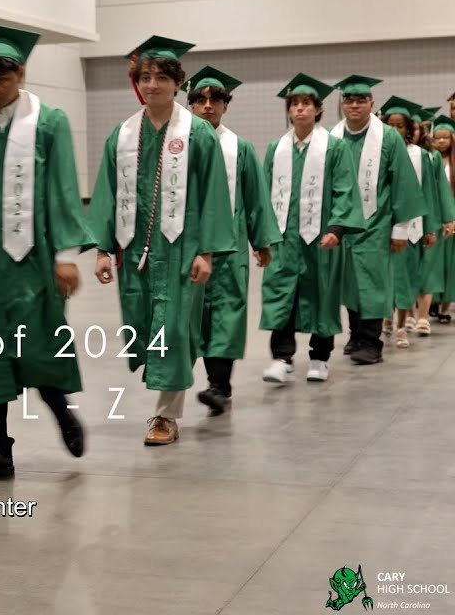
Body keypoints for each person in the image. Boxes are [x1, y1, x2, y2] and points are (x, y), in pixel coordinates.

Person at [0, 23, 94, 482]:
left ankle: (61, 412)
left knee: (38, 347)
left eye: (3, 79)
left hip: (33, 261)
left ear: (21, 73)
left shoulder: (49, 122)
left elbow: (63, 190)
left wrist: (66, 254)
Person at [87, 36, 235, 446]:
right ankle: (164, 406)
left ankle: (165, 415)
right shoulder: (122, 134)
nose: (152, 84)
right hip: (134, 251)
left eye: (162, 77)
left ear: (176, 83)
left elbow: (213, 196)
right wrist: (102, 249)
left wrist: (206, 250)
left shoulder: (198, 133)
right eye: (145, 77)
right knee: (144, 326)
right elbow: (106, 193)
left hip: (183, 249)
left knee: (172, 329)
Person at [181, 66, 280, 415]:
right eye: (200, 100)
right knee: (189, 315)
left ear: (226, 105)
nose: (207, 106)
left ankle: (219, 386)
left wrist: (262, 240)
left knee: (225, 315)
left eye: (215, 100)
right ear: (190, 104)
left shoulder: (240, 147)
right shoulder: (178, 145)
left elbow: (255, 198)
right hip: (185, 247)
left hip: (229, 248)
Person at [258, 74, 364, 384]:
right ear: (289, 111)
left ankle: (319, 357)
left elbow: (346, 188)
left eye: (306, 104)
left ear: (318, 110)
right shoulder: (275, 148)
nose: (300, 109)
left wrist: (337, 227)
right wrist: (261, 235)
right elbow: (265, 194)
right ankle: (281, 358)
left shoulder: (334, 147)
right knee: (281, 293)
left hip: (322, 238)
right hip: (283, 237)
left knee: (322, 292)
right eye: (295, 104)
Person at [326, 75, 425, 365]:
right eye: (349, 100)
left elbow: (403, 184)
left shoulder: (388, 137)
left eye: (361, 100)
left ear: (372, 103)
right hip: (342, 225)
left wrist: (400, 229)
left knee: (373, 283)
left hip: (375, 222)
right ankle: (356, 335)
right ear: (342, 104)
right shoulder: (333, 137)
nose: (354, 105)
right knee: (349, 283)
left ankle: (371, 341)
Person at [376, 97, 434, 348]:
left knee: (405, 278)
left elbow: (428, 194)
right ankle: (385, 320)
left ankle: (401, 325)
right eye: (391, 125)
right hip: (380, 225)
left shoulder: (420, 155)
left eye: (401, 125)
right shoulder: (376, 154)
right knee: (383, 278)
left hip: (410, 228)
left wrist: (430, 227)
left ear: (409, 128)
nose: (396, 130)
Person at [428, 115, 455, 324]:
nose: (442, 141)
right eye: (438, 138)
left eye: (446, 137)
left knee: (451, 264)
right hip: (436, 215)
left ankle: (446, 305)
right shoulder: (430, 158)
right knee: (435, 262)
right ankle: (432, 302)